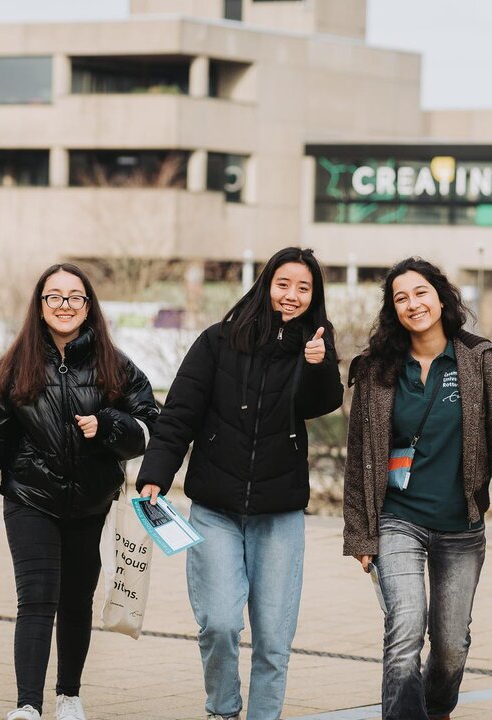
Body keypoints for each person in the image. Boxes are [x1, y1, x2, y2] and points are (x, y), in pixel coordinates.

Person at [0, 263, 159, 720]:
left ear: (89, 307)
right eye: (54, 297)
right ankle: (27, 706)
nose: (65, 305)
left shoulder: (116, 365)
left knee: (77, 598)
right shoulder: (14, 369)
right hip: (30, 498)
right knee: (36, 596)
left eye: (75, 297)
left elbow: (152, 426)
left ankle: (69, 697)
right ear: (39, 306)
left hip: (91, 501)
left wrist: (109, 425)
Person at [137, 247, 344, 720]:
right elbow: (180, 414)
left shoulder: (313, 346)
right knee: (220, 623)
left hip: (280, 515)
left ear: (313, 297)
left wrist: (319, 362)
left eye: (303, 288)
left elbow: (322, 403)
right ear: (266, 285)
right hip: (216, 508)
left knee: (273, 639)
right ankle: (223, 709)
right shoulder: (218, 342)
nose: (291, 295)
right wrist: (155, 476)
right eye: (283, 284)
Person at [342, 257, 492, 720]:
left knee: (451, 645)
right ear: (393, 310)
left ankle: (438, 708)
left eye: (421, 292)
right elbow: (359, 457)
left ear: (441, 296)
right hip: (398, 520)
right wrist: (360, 534)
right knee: (405, 629)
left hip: (460, 525)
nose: (413, 304)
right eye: (401, 298)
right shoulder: (376, 368)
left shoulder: (477, 359)